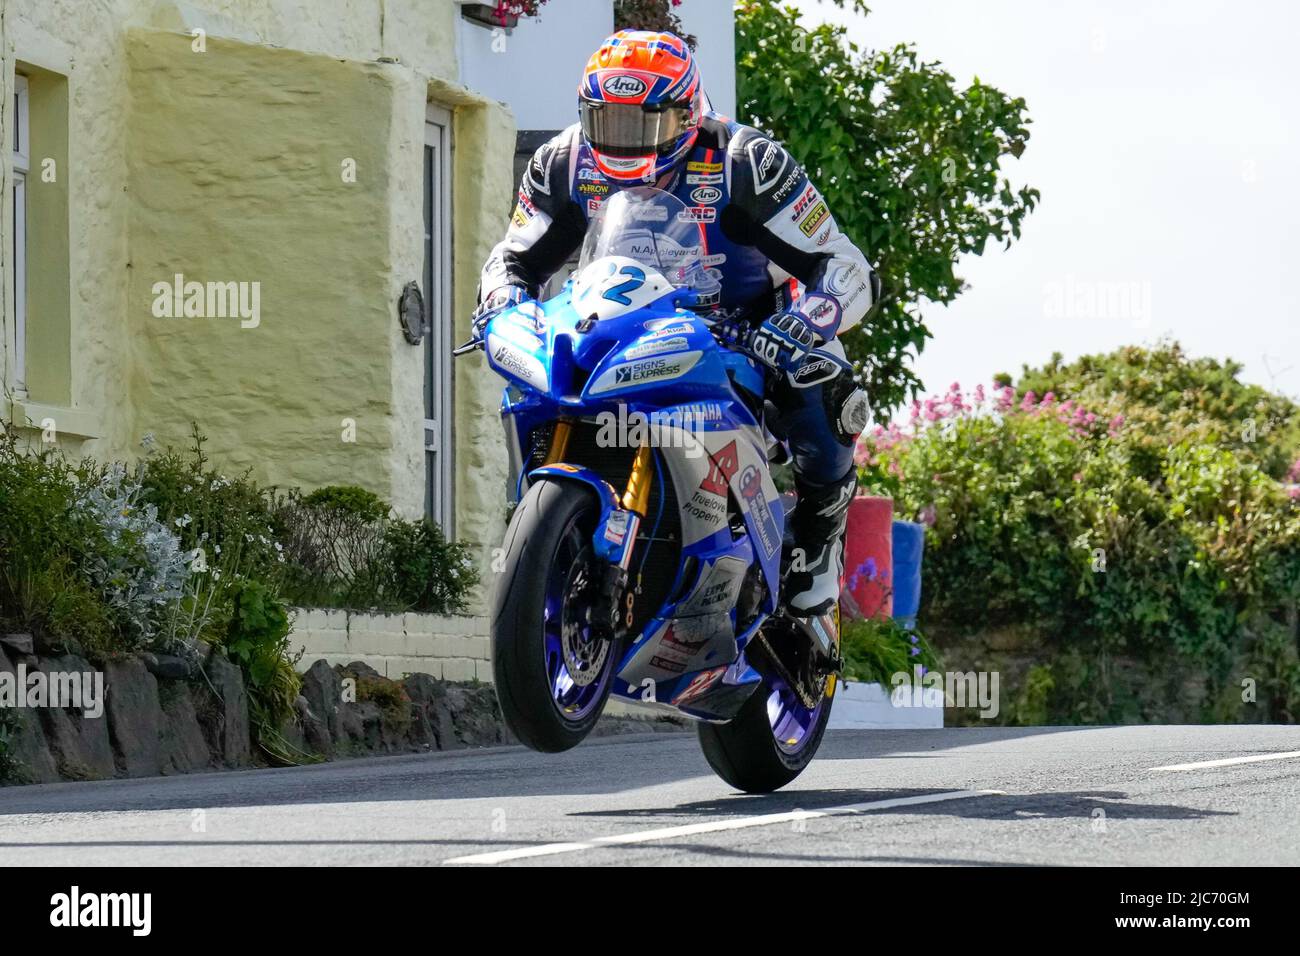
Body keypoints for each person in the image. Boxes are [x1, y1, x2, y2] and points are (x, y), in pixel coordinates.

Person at [474, 30, 880, 617]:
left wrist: (803, 324)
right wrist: (504, 298)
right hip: (610, 325)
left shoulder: (748, 162)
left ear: (688, 111)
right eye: (607, 120)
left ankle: (817, 539)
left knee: (822, 379)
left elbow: (844, 265)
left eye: (643, 125)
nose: (623, 141)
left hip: (742, 333)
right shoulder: (561, 162)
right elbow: (513, 254)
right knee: (534, 381)